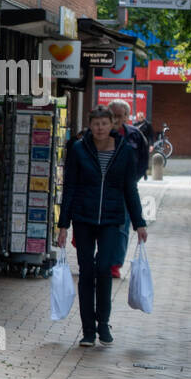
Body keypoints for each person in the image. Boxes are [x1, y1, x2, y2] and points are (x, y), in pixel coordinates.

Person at [56, 107, 146, 347]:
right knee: (86, 271)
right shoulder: (78, 150)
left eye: (104, 123)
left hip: (111, 218)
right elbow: (70, 187)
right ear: (90, 125)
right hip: (83, 218)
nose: (100, 128)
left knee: (105, 267)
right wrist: (63, 225)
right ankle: (87, 330)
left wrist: (139, 223)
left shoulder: (124, 152)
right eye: (96, 124)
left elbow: (130, 188)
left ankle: (103, 323)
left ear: (112, 125)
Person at [105, 100, 149, 278]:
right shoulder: (99, 133)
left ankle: (115, 263)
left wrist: (132, 180)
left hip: (124, 189)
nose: (115, 119)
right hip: (102, 189)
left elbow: (143, 160)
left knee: (122, 226)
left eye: (119, 115)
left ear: (126, 116)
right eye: (112, 115)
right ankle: (102, 259)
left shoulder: (135, 135)